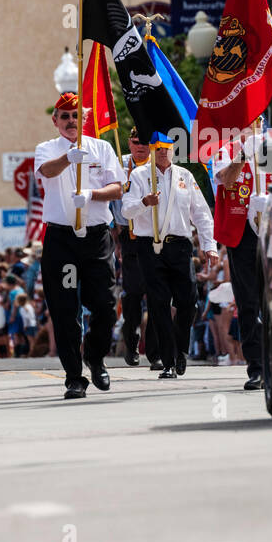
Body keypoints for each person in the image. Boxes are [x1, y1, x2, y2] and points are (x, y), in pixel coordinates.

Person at [33, 91, 122, 399]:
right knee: (65, 308)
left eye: (76, 116)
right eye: (65, 116)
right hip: (62, 240)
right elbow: (46, 171)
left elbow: (117, 187)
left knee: (105, 305)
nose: (71, 121)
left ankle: (95, 358)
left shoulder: (102, 147)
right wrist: (67, 157)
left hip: (96, 237)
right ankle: (74, 376)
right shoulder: (47, 149)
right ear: (55, 121)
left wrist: (93, 196)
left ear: (85, 119)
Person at [123, 141, 219, 379]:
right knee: (159, 303)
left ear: (174, 150)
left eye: (167, 147)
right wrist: (144, 203)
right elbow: (126, 210)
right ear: (152, 150)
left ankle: (181, 349)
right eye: (157, 147)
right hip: (150, 245)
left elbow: (201, 213)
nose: (163, 151)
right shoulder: (139, 175)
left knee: (188, 301)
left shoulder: (184, 175)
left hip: (180, 245)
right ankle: (167, 361)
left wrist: (209, 245)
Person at [212, 125, 272, 391]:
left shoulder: (270, 145)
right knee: (248, 303)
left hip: (271, 230)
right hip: (241, 234)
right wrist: (243, 155)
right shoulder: (224, 148)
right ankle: (257, 367)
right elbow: (225, 178)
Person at [115, 127, 160, 370]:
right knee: (132, 293)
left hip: (155, 234)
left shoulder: (158, 164)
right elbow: (113, 201)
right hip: (130, 236)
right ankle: (131, 343)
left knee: (156, 294)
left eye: (144, 142)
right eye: (135, 142)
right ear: (129, 143)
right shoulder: (119, 164)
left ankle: (154, 352)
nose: (140, 146)